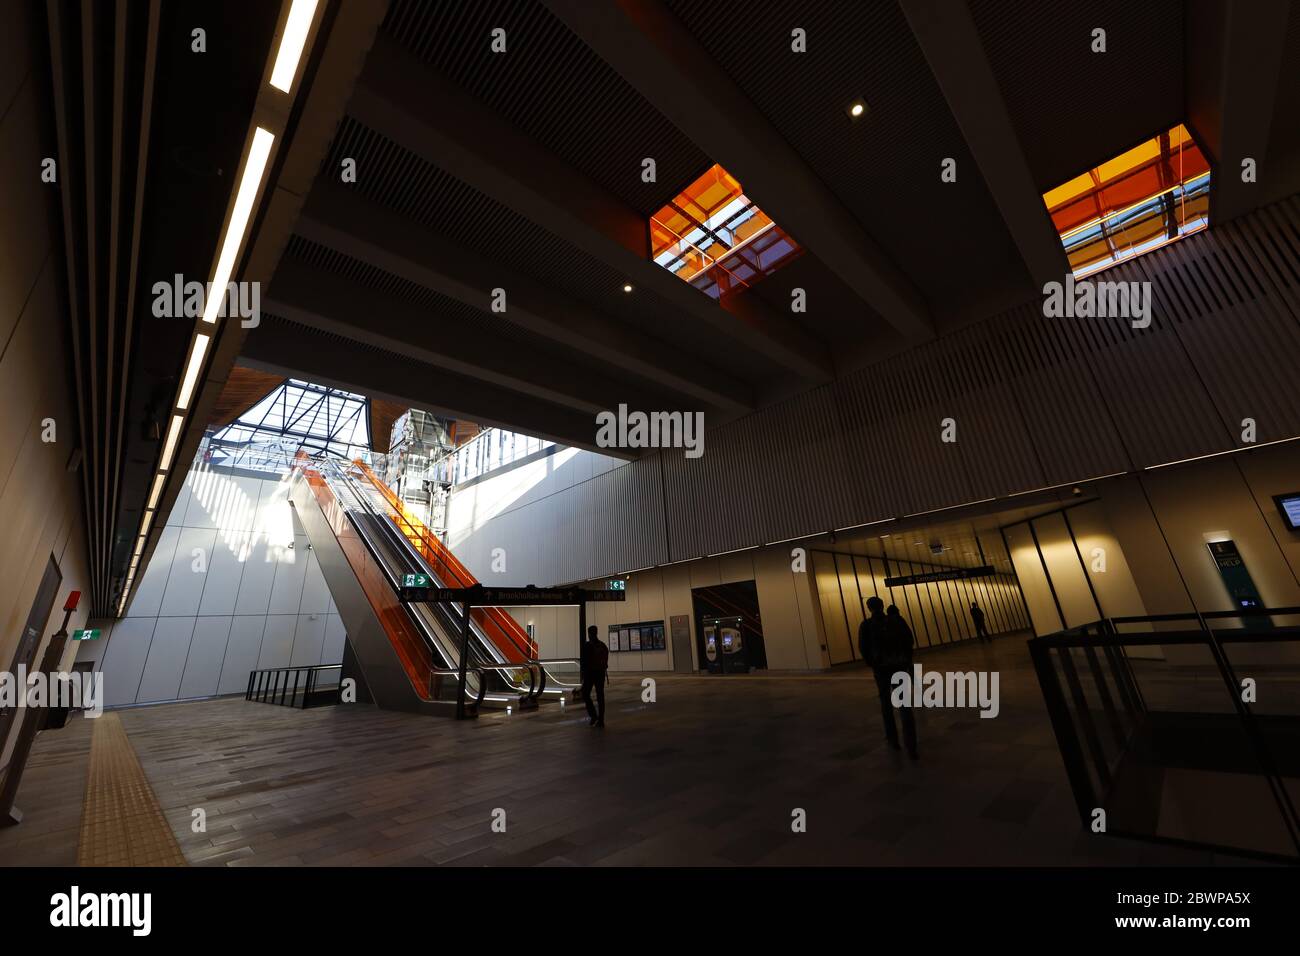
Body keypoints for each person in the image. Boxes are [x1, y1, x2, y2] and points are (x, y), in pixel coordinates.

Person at [858, 597, 918, 758]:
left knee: (886, 704)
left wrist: (874, 664)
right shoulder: (897, 621)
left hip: (881, 670)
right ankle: (911, 744)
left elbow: (863, 648)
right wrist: (905, 660)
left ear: (868, 608)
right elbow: (909, 641)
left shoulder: (866, 625)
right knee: (905, 705)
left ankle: (893, 739)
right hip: (899, 666)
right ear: (883, 605)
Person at [579, 624, 608, 728]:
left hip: (590, 674)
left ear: (589, 633)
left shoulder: (587, 646)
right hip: (600, 674)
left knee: (585, 693)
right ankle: (601, 720)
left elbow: (584, 661)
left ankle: (593, 715)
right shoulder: (603, 645)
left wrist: (583, 674)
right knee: (600, 696)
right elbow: (606, 662)